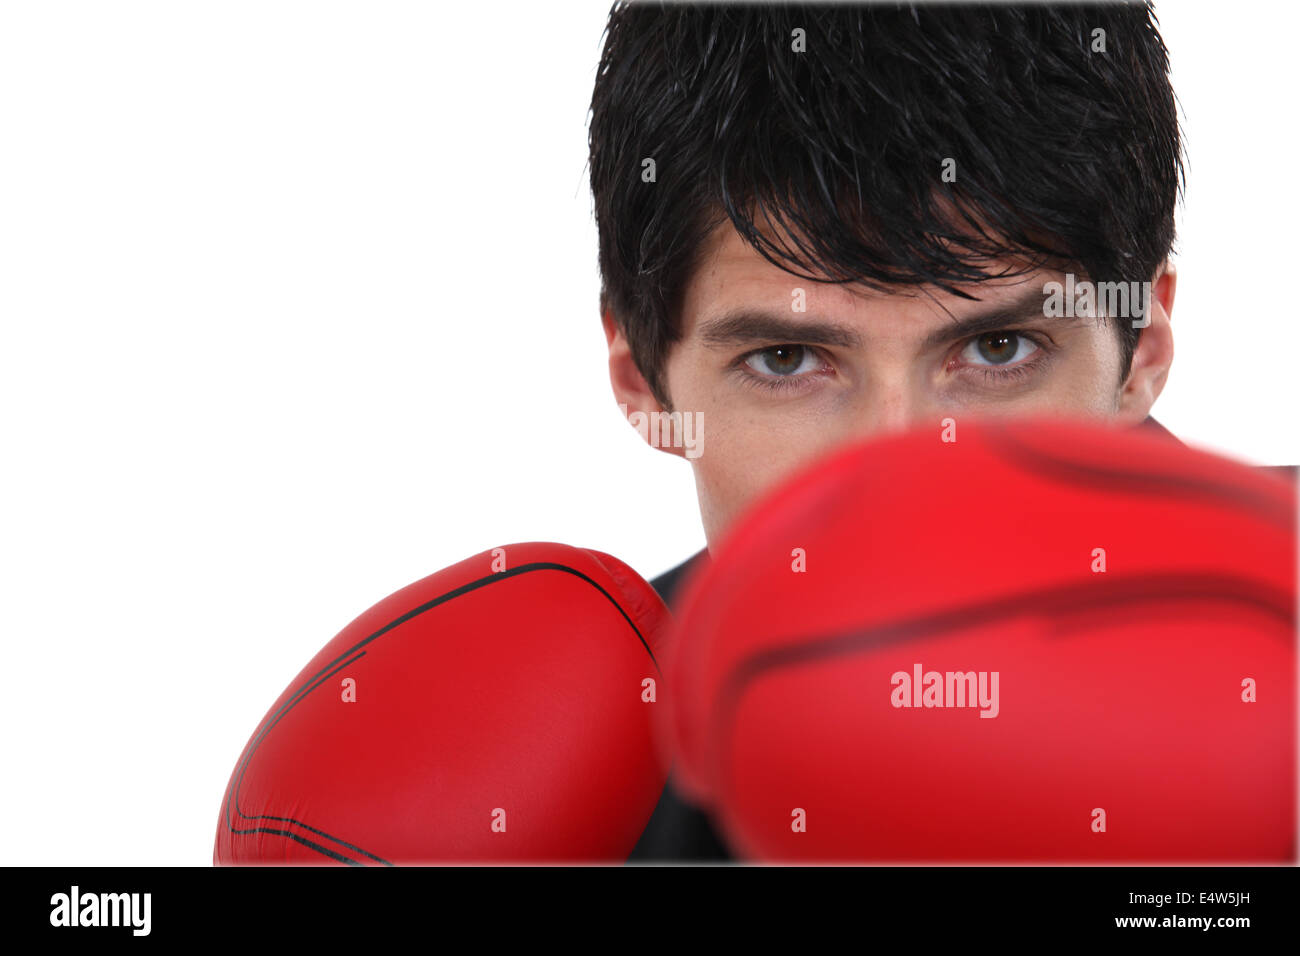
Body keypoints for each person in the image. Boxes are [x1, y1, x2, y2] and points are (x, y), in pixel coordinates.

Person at [585, 2, 1272, 861]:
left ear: (1141, 350)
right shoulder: (587, 795)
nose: (901, 486)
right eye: (789, 359)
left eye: (996, 348)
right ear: (640, 383)